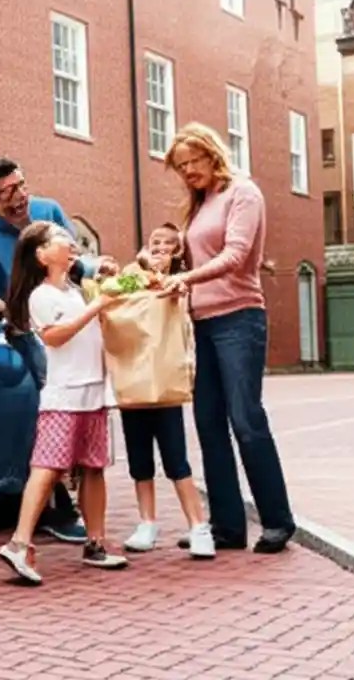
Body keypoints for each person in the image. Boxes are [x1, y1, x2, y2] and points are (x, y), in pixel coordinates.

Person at [0, 157, 118, 545]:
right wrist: (11, 311)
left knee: (88, 407)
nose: (20, 197)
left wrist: (98, 268)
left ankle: (81, 495)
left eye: (22, 185)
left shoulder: (48, 211)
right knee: (56, 415)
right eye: (8, 192)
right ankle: (57, 508)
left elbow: (73, 258)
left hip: (72, 321)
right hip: (30, 334)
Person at [160, 122, 296, 554]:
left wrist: (185, 278)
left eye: (192, 162)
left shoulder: (243, 193)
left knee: (246, 419)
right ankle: (227, 527)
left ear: (212, 154)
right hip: (204, 323)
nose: (187, 173)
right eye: (180, 167)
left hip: (239, 319)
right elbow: (192, 255)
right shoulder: (201, 205)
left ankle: (277, 521)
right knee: (208, 423)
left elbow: (236, 256)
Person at [0, 221, 129, 584]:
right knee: (47, 467)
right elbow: (55, 337)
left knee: (94, 466)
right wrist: (97, 305)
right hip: (64, 395)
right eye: (61, 240)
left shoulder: (78, 290)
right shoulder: (41, 296)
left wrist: (116, 287)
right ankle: (19, 544)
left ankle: (96, 543)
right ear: (41, 254)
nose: (71, 245)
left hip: (92, 392)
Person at [119, 223, 215, 558]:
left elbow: (180, 304)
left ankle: (198, 526)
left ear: (177, 251)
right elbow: (114, 294)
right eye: (154, 241)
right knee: (139, 459)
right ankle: (147, 522)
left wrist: (168, 277)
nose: (160, 247)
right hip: (133, 378)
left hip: (163, 380)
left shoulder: (181, 281)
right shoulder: (131, 274)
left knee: (176, 459)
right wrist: (144, 269)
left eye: (168, 244)